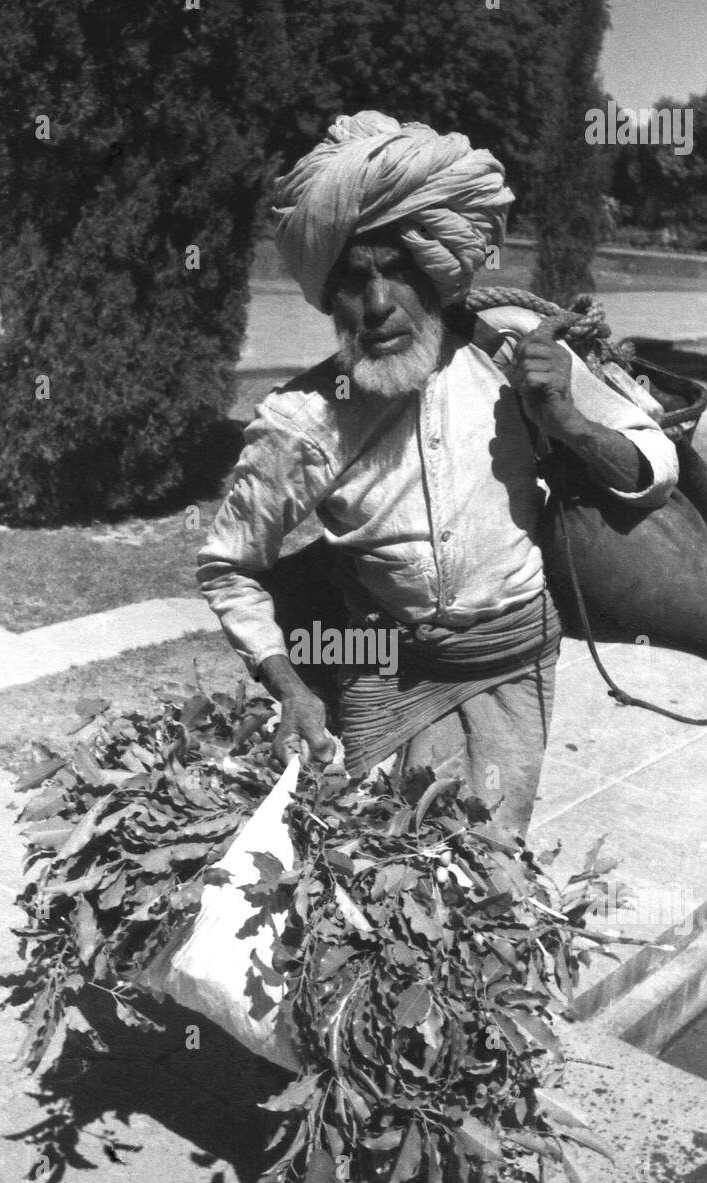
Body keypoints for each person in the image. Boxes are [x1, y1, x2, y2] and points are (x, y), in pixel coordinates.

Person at [197, 111, 678, 835]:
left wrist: (569, 422)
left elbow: (654, 463)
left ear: (436, 272)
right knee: (380, 867)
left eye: (399, 270)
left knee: (489, 863)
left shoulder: (512, 354)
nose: (379, 304)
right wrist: (290, 686)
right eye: (354, 280)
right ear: (328, 294)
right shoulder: (302, 423)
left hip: (515, 668)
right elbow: (228, 566)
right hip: (380, 669)